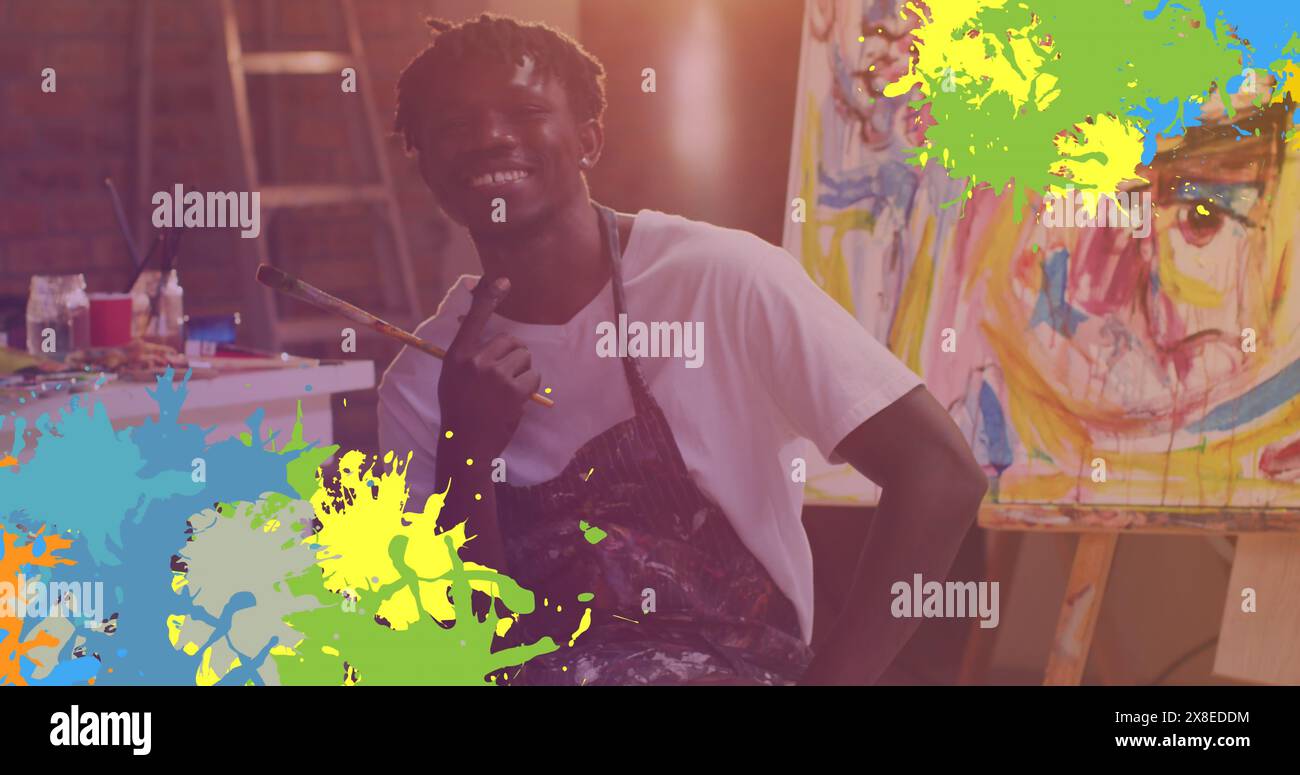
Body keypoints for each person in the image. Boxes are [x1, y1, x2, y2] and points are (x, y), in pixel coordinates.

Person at [377, 13, 986, 685]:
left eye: (523, 111)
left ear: (589, 140)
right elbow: (460, 652)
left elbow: (940, 471)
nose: (490, 137)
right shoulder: (421, 381)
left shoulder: (718, 280)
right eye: (456, 126)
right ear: (425, 164)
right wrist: (465, 447)